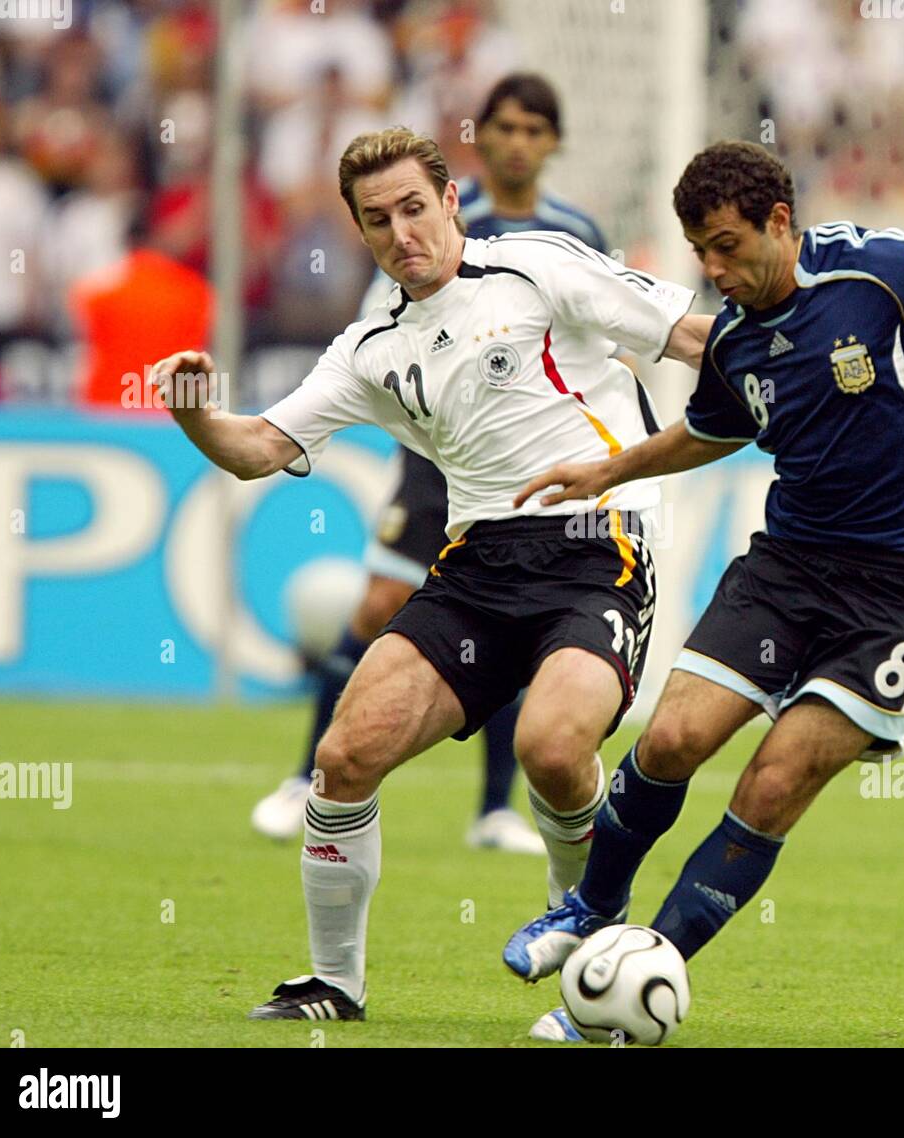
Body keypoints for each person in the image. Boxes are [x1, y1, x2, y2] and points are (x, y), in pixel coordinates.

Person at [501, 141, 904, 1041]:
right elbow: (714, 428)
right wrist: (613, 469)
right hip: (788, 567)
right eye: (699, 254)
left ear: (779, 223)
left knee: (772, 782)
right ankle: (590, 909)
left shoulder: (876, 272)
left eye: (726, 246)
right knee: (672, 737)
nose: (713, 271)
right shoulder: (736, 336)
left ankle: (634, 979)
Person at [151, 126, 710, 1021]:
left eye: (415, 207)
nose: (401, 231)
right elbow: (258, 446)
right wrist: (192, 415)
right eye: (378, 220)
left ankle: (590, 913)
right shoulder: (369, 347)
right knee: (341, 759)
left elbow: (688, 336)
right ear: (362, 234)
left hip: (598, 541)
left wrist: (791, 385)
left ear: (451, 203)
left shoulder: (537, 266)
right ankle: (335, 985)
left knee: (554, 747)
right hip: (476, 564)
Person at [250, 74, 615, 854]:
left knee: (530, 624)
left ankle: (493, 810)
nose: (518, 143)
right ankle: (300, 778)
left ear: (552, 143)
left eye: (534, 130)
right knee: (382, 601)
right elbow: (380, 339)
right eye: (505, 128)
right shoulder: (439, 214)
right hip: (436, 463)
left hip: (537, 466)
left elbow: (599, 334)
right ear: (481, 139)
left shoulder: (571, 232)